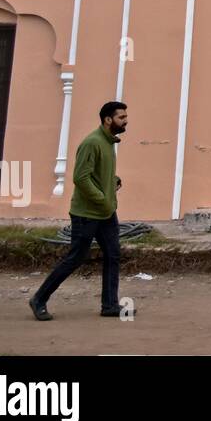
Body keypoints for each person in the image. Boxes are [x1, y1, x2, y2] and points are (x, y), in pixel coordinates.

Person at [29, 101, 128, 320]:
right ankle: (39, 299)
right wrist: (102, 198)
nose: (125, 121)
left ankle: (110, 305)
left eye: (125, 117)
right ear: (108, 119)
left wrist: (113, 181)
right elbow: (81, 177)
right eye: (121, 117)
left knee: (113, 255)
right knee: (75, 258)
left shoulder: (109, 142)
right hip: (87, 214)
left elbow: (96, 175)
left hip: (106, 213)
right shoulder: (92, 142)